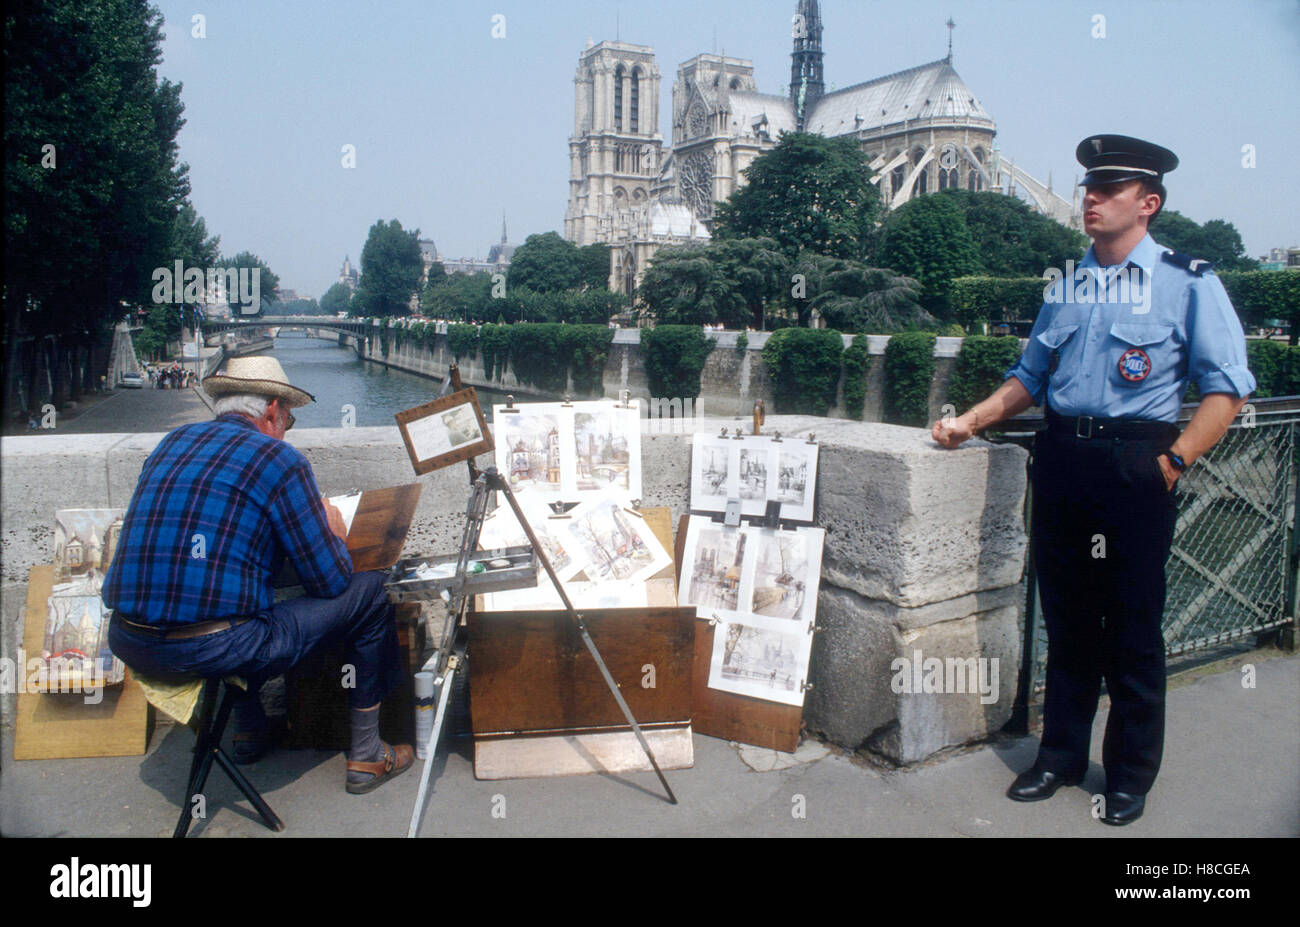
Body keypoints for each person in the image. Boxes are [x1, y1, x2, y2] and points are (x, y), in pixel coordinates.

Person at [931, 135, 1255, 826]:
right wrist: (969, 422)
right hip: (1064, 460)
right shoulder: (1068, 285)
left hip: (1134, 466)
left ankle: (1131, 772)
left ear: (1148, 203)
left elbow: (1226, 391)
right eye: (1088, 187)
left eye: (1108, 189)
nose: (1091, 199)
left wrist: (1172, 463)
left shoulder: (1188, 281)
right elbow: (1029, 378)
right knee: (1068, 619)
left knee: (1133, 628)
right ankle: (1059, 757)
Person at [104, 355, 413, 794]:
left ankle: (249, 733)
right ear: (271, 411)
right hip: (214, 647)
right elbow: (330, 581)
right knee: (371, 591)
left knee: (236, 589)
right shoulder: (278, 458)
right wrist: (333, 530)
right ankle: (367, 755)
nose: (286, 429)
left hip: (130, 640)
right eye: (288, 420)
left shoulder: (171, 443)